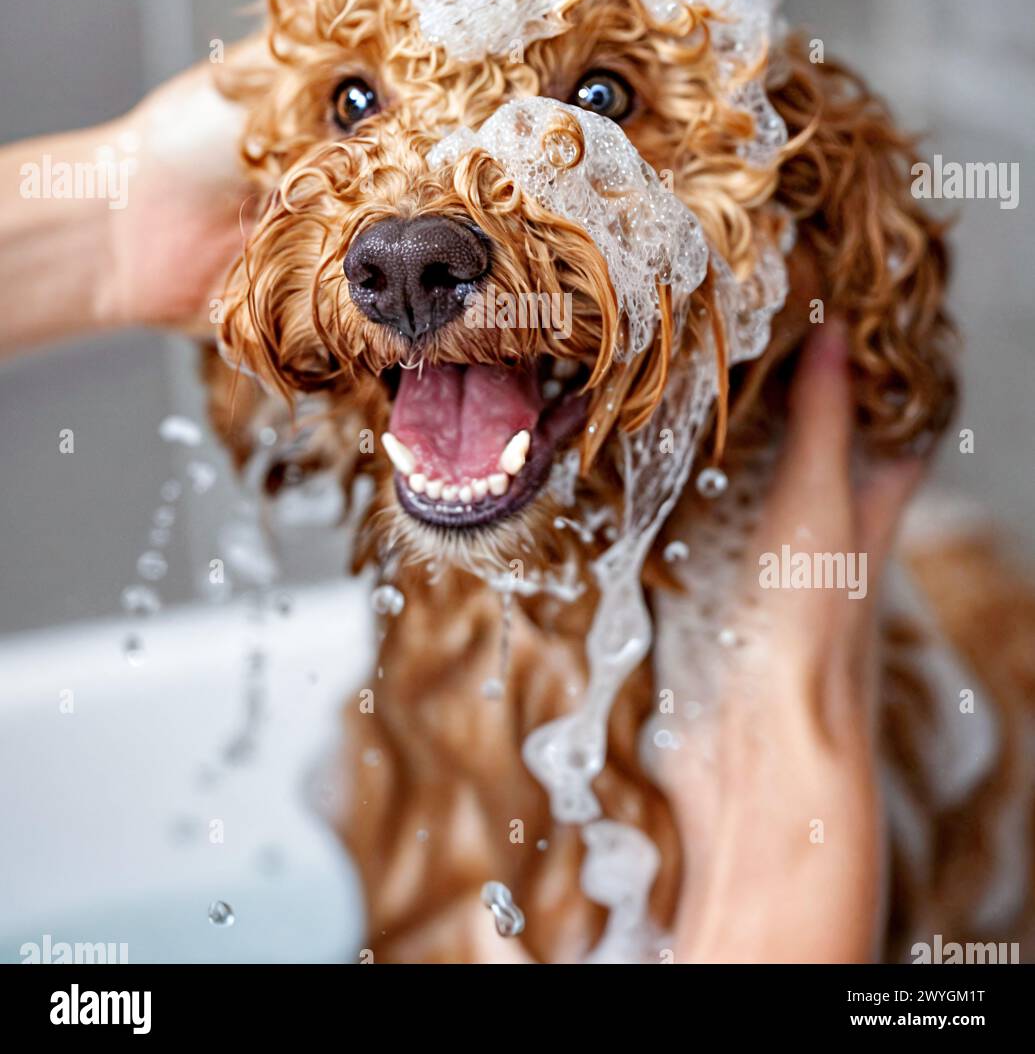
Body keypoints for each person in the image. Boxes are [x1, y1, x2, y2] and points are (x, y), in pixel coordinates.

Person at [0, 55, 923, 962]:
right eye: (358, 103)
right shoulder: (392, 741)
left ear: (809, 209)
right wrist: (799, 736)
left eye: (599, 98)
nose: (408, 242)